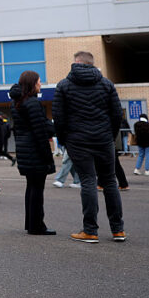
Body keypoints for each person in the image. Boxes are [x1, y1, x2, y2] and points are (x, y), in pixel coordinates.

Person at [53, 51, 125, 243]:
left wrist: (63, 140)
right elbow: (117, 113)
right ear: (91, 64)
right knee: (109, 181)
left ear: (76, 62)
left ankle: (90, 230)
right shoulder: (107, 84)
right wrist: (110, 134)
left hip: (78, 140)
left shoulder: (64, 85)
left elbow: (58, 117)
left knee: (88, 181)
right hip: (103, 139)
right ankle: (118, 229)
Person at [10, 72, 56, 235]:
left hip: (24, 150)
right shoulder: (32, 103)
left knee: (31, 188)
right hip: (34, 151)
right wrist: (47, 157)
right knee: (37, 189)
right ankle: (37, 226)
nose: (40, 84)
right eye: (39, 81)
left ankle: (31, 223)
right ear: (32, 83)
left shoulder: (17, 102)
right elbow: (40, 132)